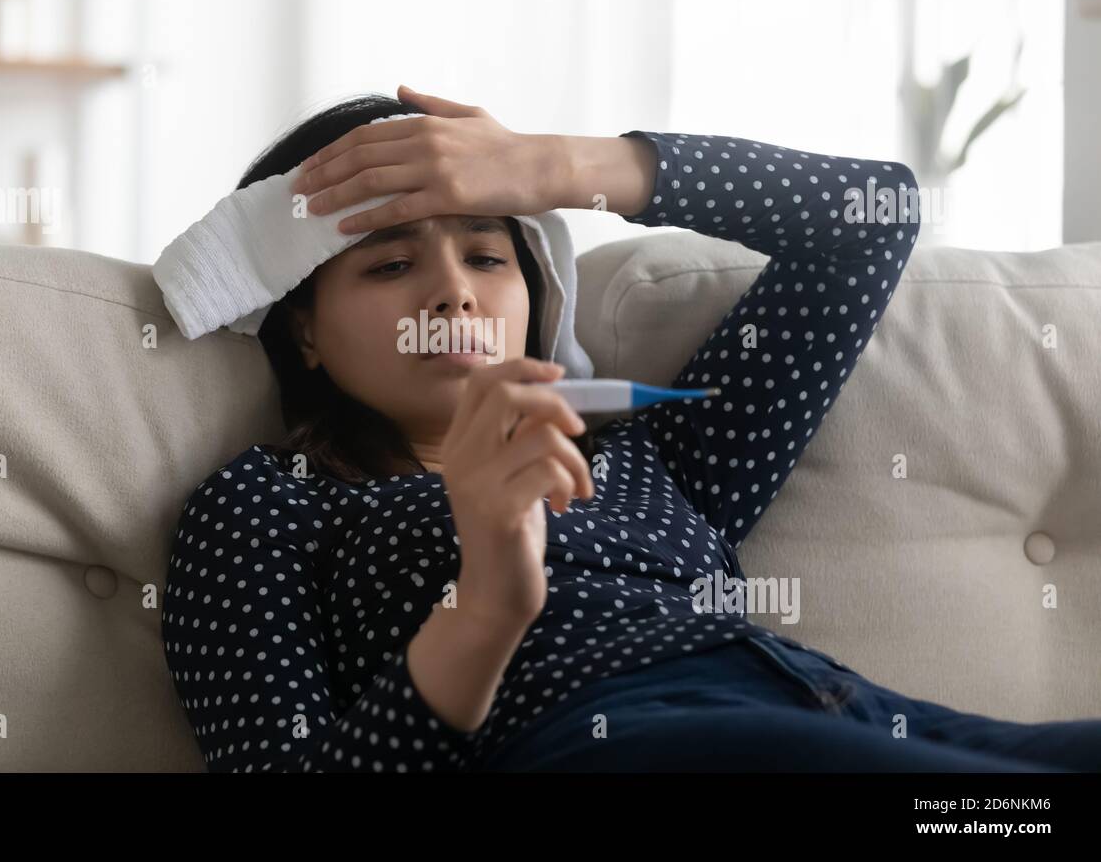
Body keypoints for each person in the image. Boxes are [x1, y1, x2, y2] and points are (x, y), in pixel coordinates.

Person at [161, 88, 1101, 772]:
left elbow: (874, 214)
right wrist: (487, 602)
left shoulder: (648, 455)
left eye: (488, 254)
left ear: (534, 300)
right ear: (305, 336)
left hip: (853, 717)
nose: (452, 290)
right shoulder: (265, 505)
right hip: (623, 737)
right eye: (389, 264)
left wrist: (558, 166)